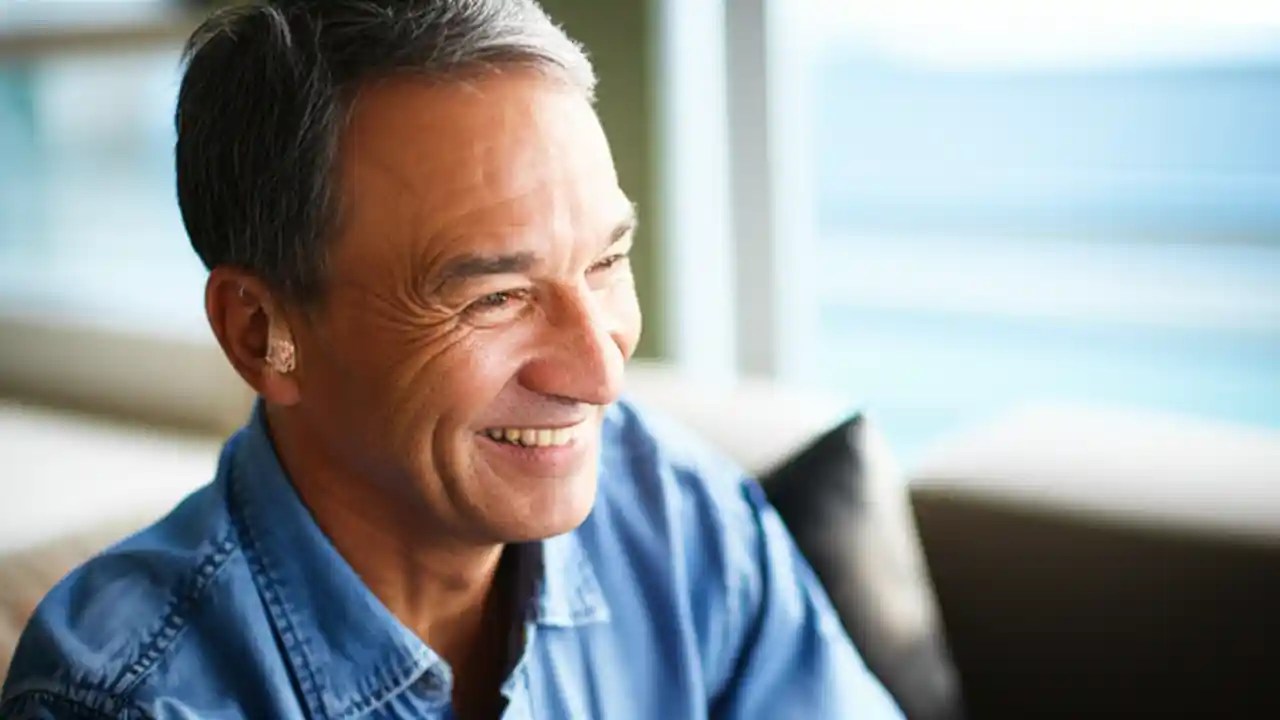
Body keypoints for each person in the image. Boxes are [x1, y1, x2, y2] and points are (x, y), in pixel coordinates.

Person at [1, 2, 902, 718]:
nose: (599, 374)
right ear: (260, 332)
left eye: (606, 262)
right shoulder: (128, 700)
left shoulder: (685, 519)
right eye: (494, 298)